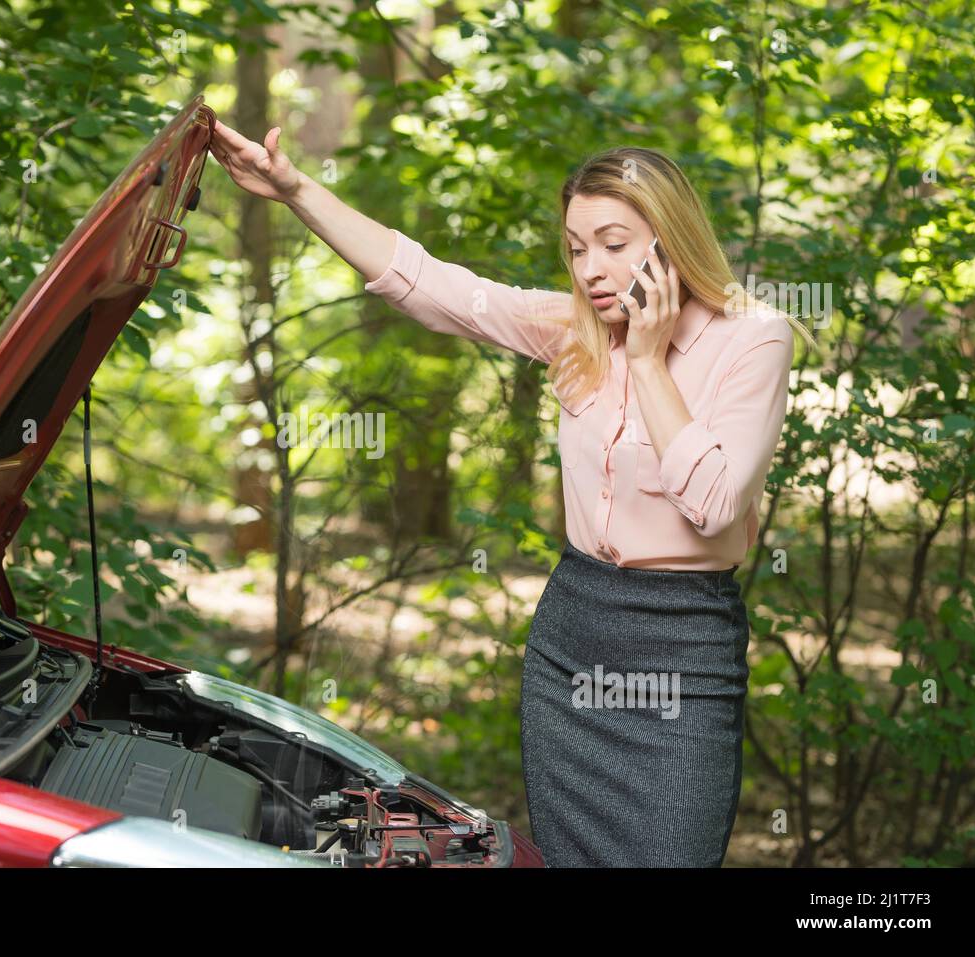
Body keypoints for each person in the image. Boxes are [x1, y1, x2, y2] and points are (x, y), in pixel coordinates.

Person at [208, 120, 816, 867]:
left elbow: (715, 504)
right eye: (576, 247)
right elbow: (435, 287)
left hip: (684, 651)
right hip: (574, 638)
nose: (590, 267)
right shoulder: (577, 329)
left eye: (614, 243)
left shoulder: (754, 337)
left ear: (670, 237)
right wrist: (297, 190)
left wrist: (652, 362)